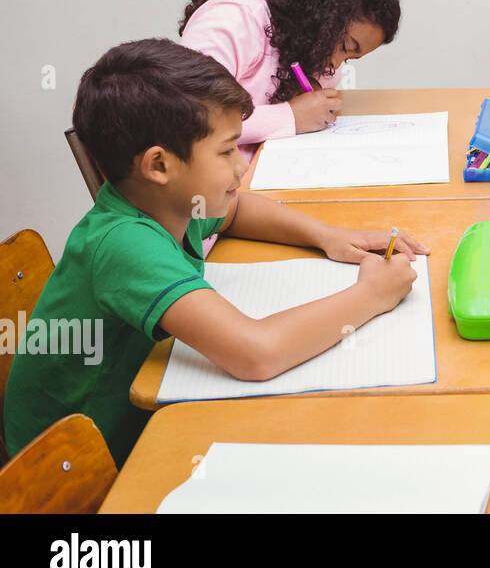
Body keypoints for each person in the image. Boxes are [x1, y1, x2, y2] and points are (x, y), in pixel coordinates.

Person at [3, 39, 427, 465]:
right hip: (68, 466)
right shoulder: (123, 244)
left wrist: (328, 235)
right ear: (159, 165)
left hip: (130, 416)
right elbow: (256, 354)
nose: (241, 165)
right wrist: (372, 296)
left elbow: (234, 211)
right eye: (226, 151)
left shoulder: (167, 200)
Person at [179, 0, 401, 159]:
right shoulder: (234, 18)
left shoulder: (302, 44)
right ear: (322, 9)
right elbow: (191, 118)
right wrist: (291, 116)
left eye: (348, 60)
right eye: (344, 46)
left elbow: (315, 93)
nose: (334, 66)